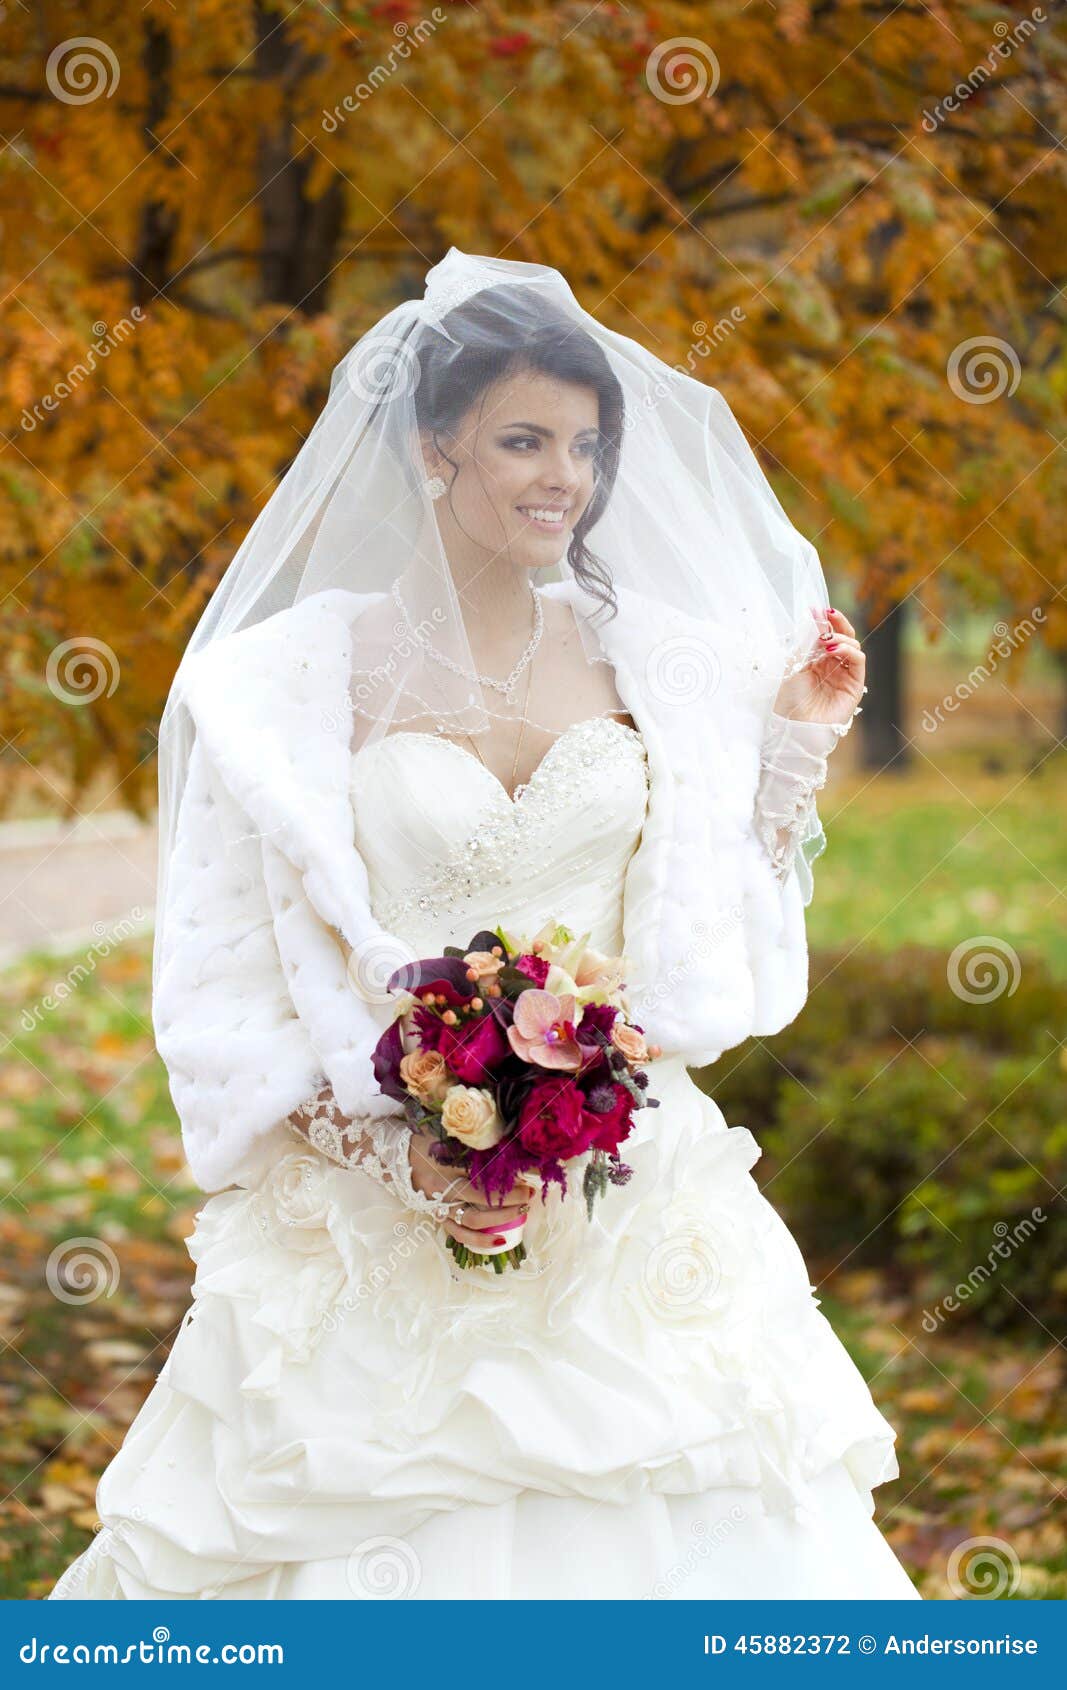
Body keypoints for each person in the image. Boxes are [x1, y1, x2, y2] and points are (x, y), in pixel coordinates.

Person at [48, 250, 920, 1601]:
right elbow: (226, 990)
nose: (562, 476)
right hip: (376, 1196)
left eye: (583, 444)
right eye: (523, 438)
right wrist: (402, 1154)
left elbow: (704, 908)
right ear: (432, 445)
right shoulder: (279, 689)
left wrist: (795, 745)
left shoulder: (661, 664)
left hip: (625, 1193)